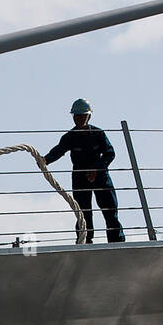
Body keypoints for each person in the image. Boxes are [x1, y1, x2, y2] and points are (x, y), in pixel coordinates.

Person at [43, 98, 124, 243]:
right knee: (83, 213)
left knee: (110, 210)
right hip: (80, 178)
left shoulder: (99, 134)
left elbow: (109, 153)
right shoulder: (70, 137)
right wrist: (45, 160)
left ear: (89, 116)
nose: (79, 118)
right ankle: (85, 241)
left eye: (82, 115)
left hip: (101, 177)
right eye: (76, 115)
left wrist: (97, 168)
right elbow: (59, 150)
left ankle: (116, 242)